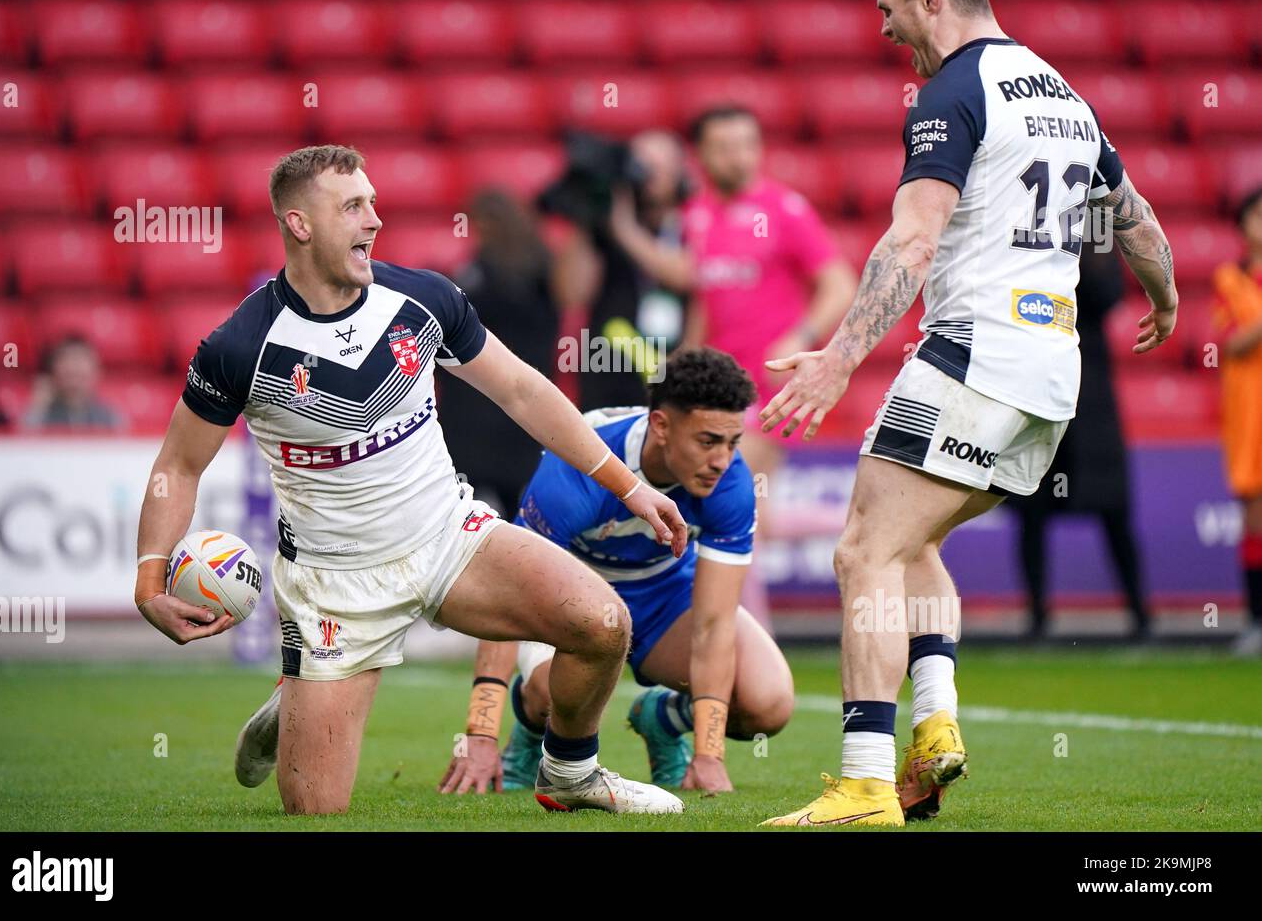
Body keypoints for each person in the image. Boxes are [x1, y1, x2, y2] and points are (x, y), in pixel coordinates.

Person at [758, 0, 1178, 827]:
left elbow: (911, 241)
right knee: (915, 543)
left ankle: (865, 782)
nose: (884, 31)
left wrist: (837, 360)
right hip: (1052, 377)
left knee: (863, 550)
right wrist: (1168, 298)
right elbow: (1134, 215)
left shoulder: (953, 91)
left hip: (974, 353)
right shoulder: (1063, 92)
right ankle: (936, 730)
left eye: (888, 10)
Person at [135, 145, 690, 817]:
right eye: (352, 206)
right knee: (315, 810)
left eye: (371, 202)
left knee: (602, 624)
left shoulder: (422, 299)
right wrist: (149, 579)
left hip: (448, 538)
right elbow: (179, 466)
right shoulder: (240, 346)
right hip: (336, 584)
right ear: (300, 224)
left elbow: (519, 390)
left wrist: (630, 487)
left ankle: (570, 772)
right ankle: (300, 692)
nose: (373, 219)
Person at [436, 348, 794, 796]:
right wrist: (480, 733)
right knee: (556, 695)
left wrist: (709, 754)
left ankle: (660, 718)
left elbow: (713, 624)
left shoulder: (733, 483)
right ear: (661, 427)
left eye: (732, 442)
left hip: (664, 600)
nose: (723, 460)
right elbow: (512, 589)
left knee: (768, 703)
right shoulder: (579, 465)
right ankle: (530, 719)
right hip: (573, 599)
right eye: (707, 442)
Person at [610, 107, 858, 629]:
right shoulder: (698, 214)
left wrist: (802, 337)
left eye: (747, 144)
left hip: (767, 386)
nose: (738, 157)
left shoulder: (784, 210)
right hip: (720, 388)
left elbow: (839, 284)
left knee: (735, 508)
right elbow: (701, 291)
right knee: (744, 513)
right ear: (701, 155)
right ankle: (863, 523)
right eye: (724, 146)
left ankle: (749, 640)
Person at [1005, 241, 1149, 640]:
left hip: (1091, 393)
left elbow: (1108, 294)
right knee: (1031, 506)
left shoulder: (1094, 228)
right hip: (1037, 382)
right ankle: (1036, 617)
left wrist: (1071, 251)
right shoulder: (1025, 226)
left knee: (1113, 509)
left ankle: (1140, 615)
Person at [436, 188, 560, 519]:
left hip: (474, 411)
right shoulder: (544, 269)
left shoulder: (475, 276)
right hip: (521, 407)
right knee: (523, 513)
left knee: (467, 515)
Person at [551, 130, 691, 410]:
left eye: (658, 165)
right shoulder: (601, 227)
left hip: (677, 370)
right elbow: (571, 294)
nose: (647, 175)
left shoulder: (694, 219)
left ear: (679, 172)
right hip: (607, 371)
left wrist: (625, 230)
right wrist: (586, 218)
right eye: (641, 165)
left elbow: (686, 276)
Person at [1211, 184, 1262, 656]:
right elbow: (1231, 342)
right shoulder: (1231, 278)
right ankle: (1255, 620)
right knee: (1254, 513)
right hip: (1249, 409)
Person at [22, 335, 122, 430]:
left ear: (97, 371)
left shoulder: (109, 417)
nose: (74, 367)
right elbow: (25, 440)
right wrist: (38, 406)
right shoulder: (42, 413)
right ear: (52, 370)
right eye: (66, 359)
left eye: (80, 359)